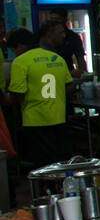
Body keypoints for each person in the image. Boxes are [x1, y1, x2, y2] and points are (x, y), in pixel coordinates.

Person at [7, 23, 75, 167]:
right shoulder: (57, 58)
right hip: (59, 117)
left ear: (20, 46)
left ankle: (46, 188)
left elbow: (17, 94)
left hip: (35, 120)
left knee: (42, 164)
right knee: (60, 161)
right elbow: (70, 85)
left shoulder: (20, 62)